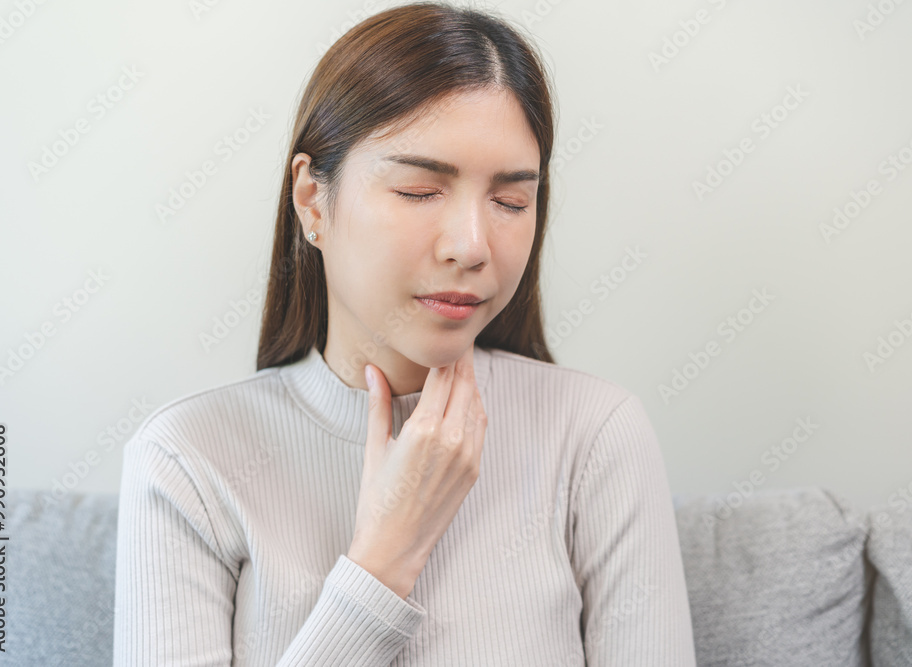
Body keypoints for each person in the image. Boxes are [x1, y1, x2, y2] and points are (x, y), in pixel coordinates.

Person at [113, 2, 696, 665]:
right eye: (420, 190)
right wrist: (383, 563)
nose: (471, 246)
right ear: (312, 198)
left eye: (511, 201)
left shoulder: (595, 436)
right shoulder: (187, 460)